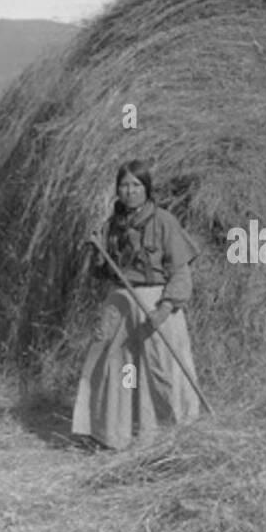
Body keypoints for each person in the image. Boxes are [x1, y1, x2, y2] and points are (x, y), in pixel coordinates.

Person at [72, 160, 203, 450]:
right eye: (124, 185)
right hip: (120, 302)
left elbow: (181, 272)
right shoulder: (112, 225)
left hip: (156, 304)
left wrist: (165, 308)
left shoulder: (164, 221)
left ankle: (172, 436)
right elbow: (103, 272)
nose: (129, 191)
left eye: (136, 185)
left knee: (162, 369)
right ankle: (115, 435)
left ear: (147, 189)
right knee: (115, 366)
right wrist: (96, 251)